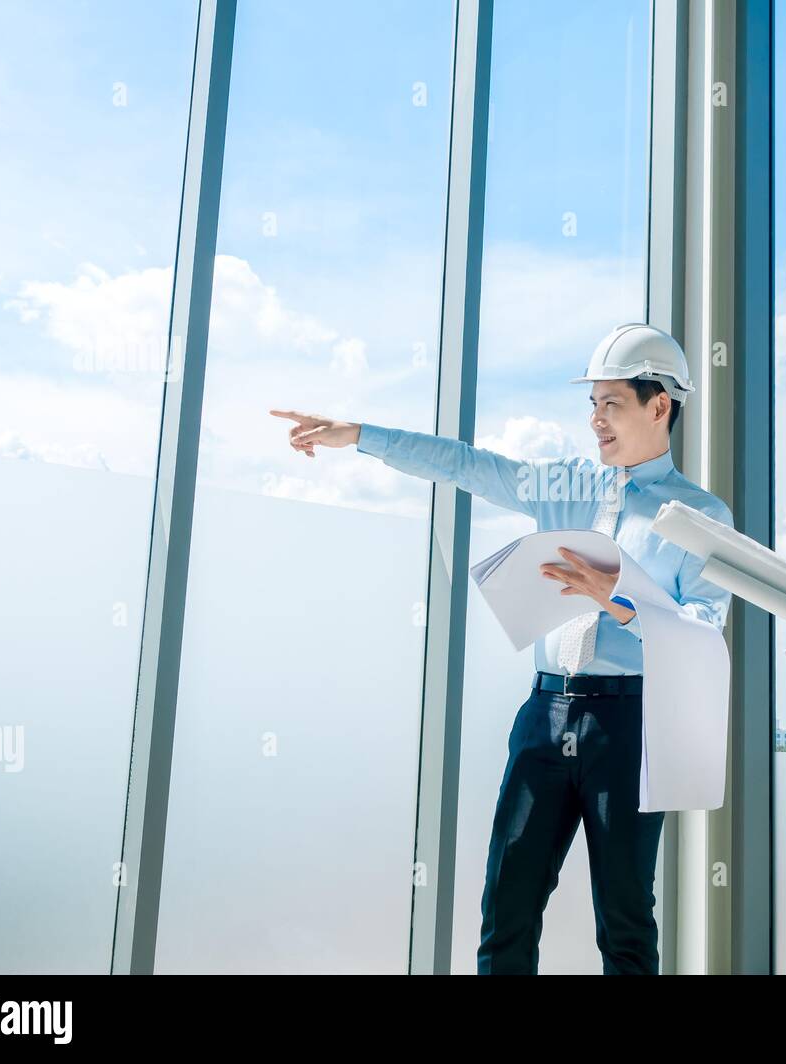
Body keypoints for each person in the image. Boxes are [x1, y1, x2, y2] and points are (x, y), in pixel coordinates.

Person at [269, 322, 735, 975]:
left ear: (660, 406)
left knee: (626, 921)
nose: (596, 420)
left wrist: (617, 599)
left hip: (629, 725)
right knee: (507, 908)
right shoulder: (561, 485)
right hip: (543, 715)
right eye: (592, 404)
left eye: (613, 404)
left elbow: (705, 626)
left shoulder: (699, 515)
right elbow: (462, 462)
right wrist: (359, 436)